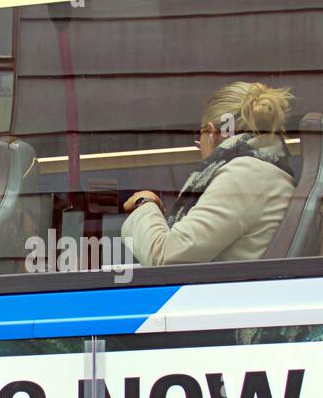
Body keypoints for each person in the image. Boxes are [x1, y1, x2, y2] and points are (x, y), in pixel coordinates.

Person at [121, 82, 297, 265]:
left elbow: (165, 256)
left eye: (200, 138)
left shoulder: (246, 176)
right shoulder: (257, 170)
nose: (200, 148)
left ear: (212, 133)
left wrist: (144, 204)